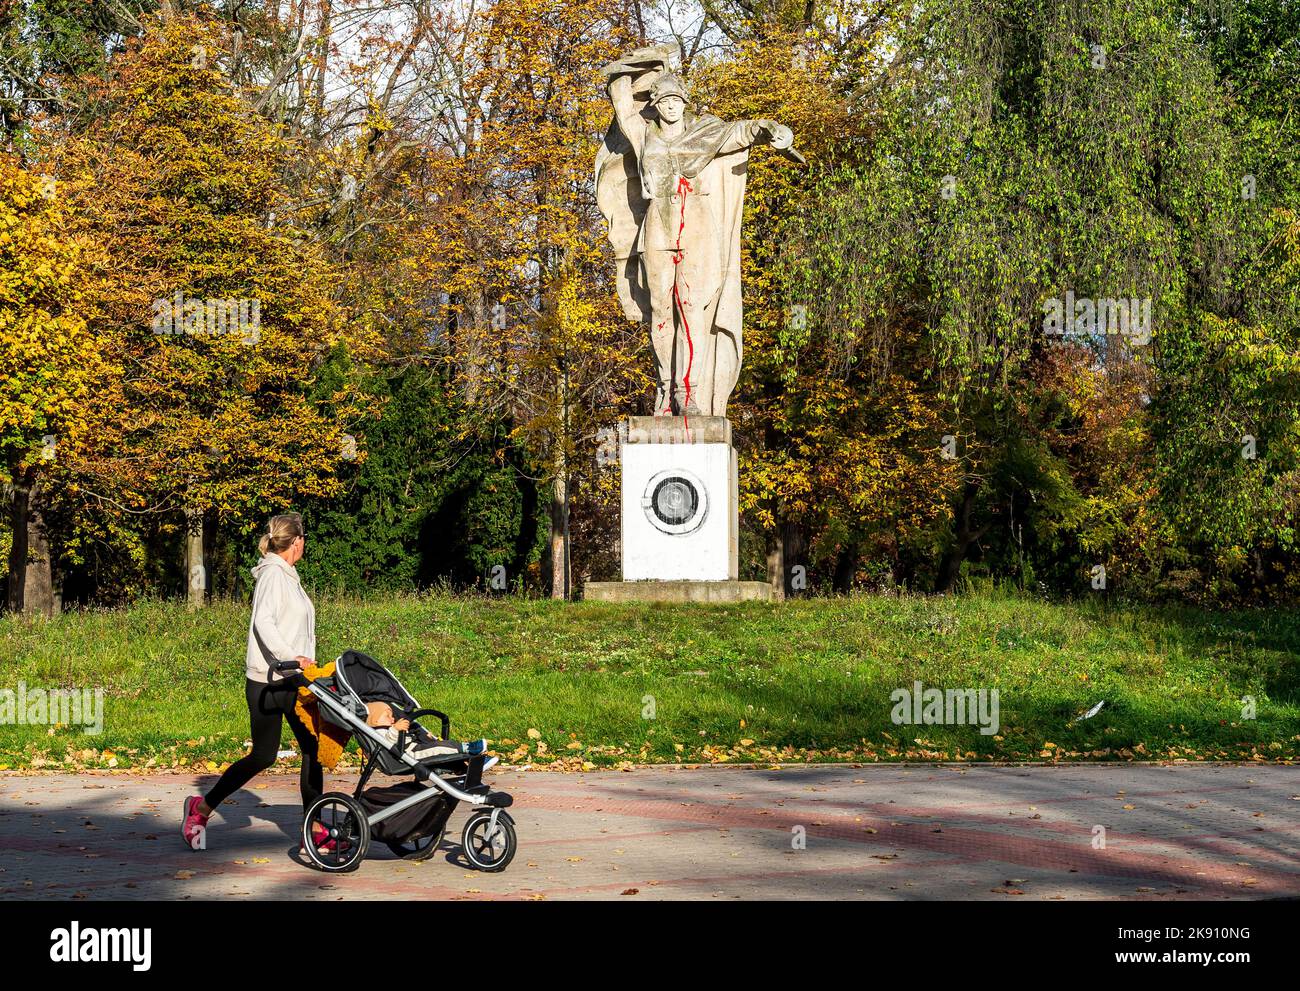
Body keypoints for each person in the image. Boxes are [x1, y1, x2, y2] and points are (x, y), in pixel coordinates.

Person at [181, 513, 329, 850]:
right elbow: (263, 622)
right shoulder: (273, 575)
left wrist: (300, 664)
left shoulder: (288, 574)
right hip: (269, 682)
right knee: (263, 755)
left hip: (294, 680)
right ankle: (200, 809)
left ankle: (315, 828)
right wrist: (290, 657)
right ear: (298, 542)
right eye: (303, 539)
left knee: (312, 748)